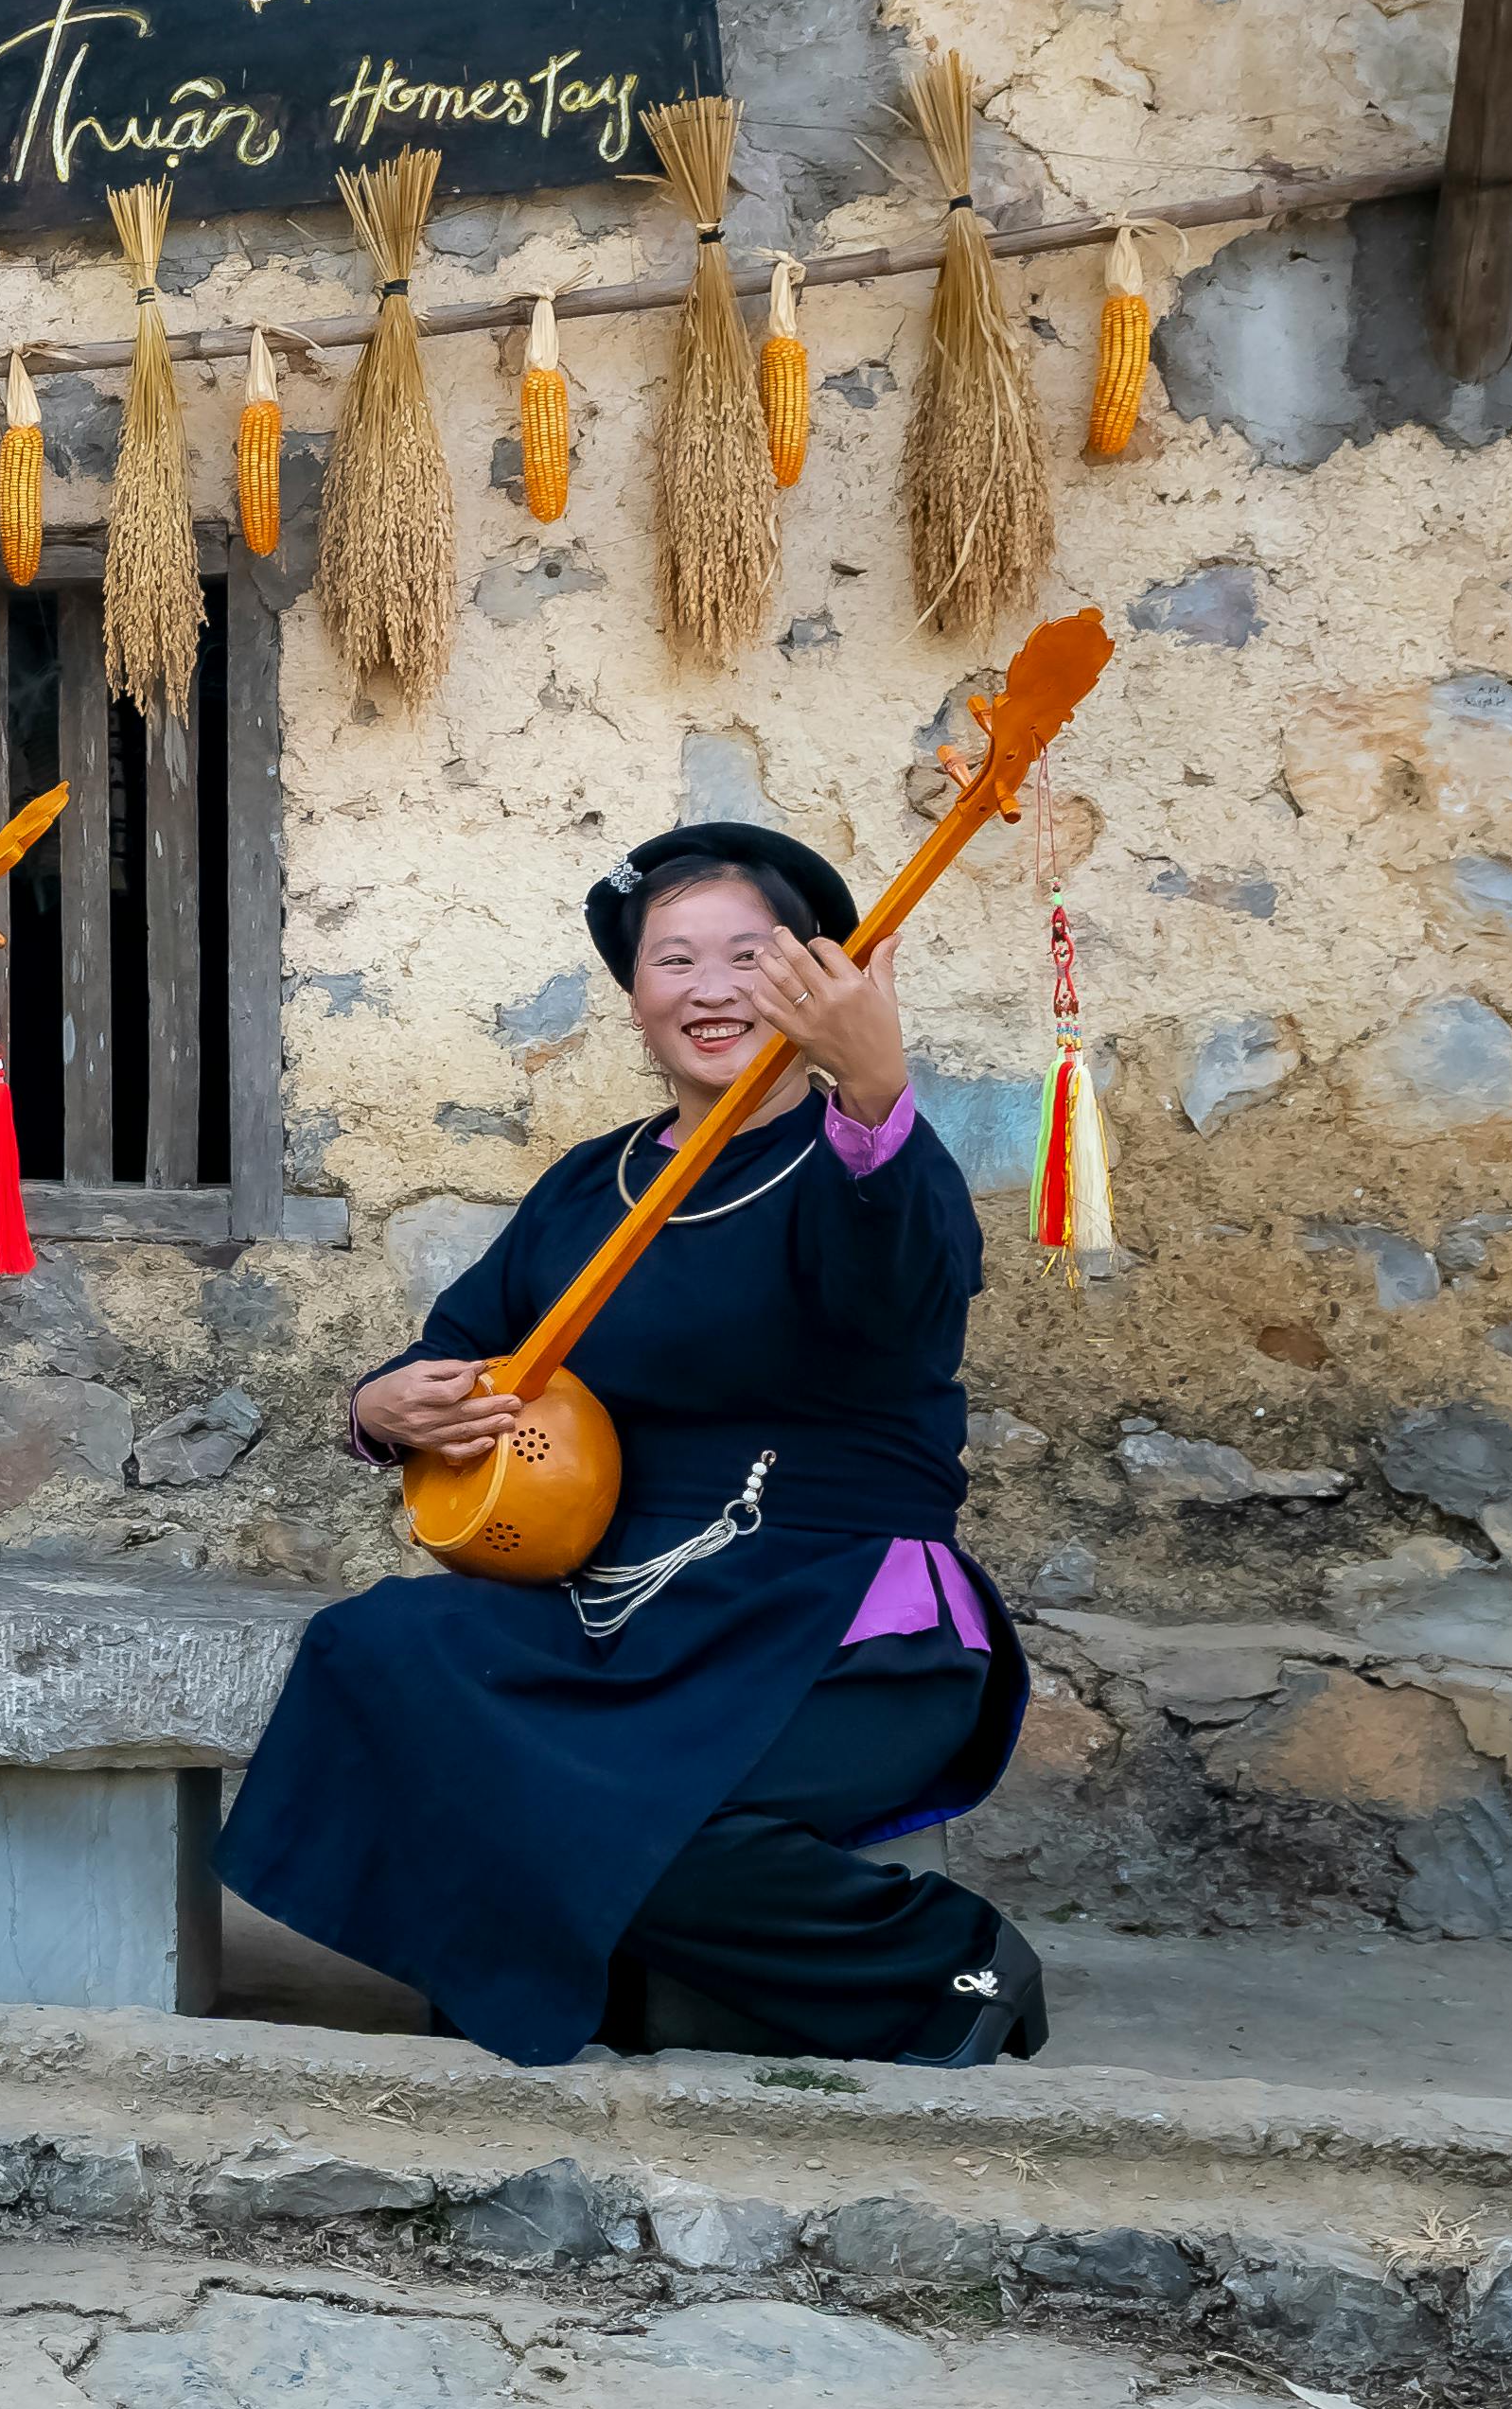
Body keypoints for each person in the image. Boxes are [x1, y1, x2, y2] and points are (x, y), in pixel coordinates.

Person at [223, 819, 1047, 2072]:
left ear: (816, 981)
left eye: (749, 957)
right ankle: (558, 1983)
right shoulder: (586, 1186)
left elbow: (912, 1293)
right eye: (674, 962)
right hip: (619, 1613)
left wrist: (878, 1091)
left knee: (624, 1824)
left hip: (838, 1625)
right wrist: (379, 1414)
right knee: (372, 1650)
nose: (711, 990)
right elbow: (459, 1348)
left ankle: (949, 1963)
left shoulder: (861, 1162)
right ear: (634, 1001)